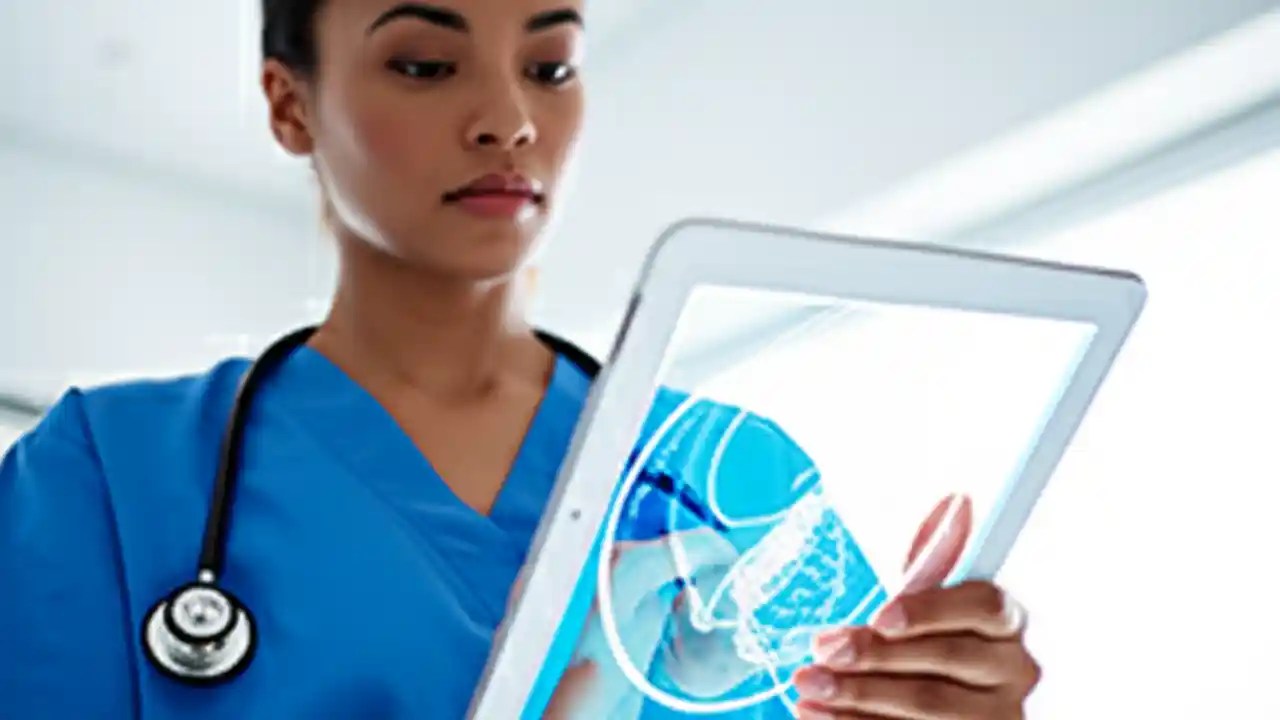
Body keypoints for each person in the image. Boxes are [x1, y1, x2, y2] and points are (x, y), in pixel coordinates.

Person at [0, 1, 1041, 718]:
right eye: (424, 63)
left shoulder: (735, 475)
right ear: (289, 103)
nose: (507, 119)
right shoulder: (104, 473)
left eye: (548, 67)